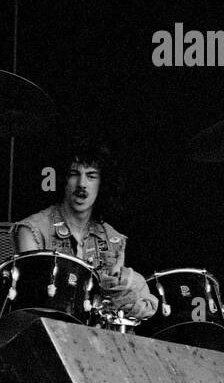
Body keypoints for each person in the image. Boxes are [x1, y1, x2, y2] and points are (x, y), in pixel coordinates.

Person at [12, 137, 158, 321]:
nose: (82, 184)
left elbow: (113, 307)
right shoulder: (32, 229)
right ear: (62, 179)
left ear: (102, 183)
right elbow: (32, 301)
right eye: (74, 174)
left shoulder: (114, 239)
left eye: (91, 175)